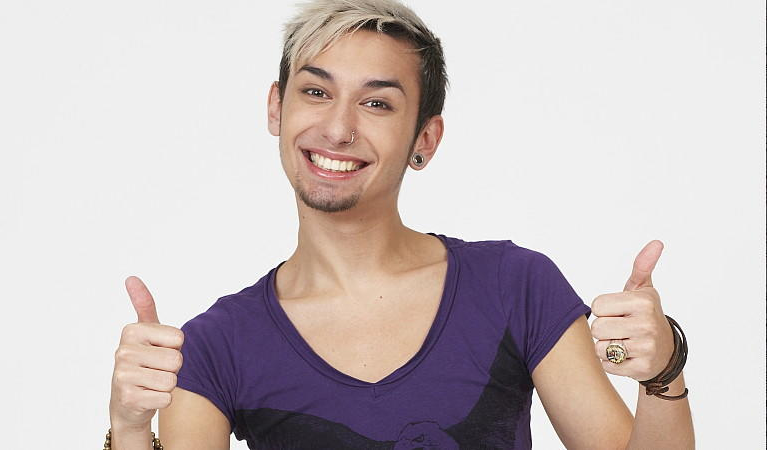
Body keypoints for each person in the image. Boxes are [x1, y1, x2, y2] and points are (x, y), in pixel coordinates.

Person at [107, 1, 695, 448]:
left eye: (377, 103)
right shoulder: (216, 346)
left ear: (425, 139)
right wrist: (130, 428)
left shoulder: (513, 286)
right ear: (276, 108)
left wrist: (663, 373)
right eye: (316, 91)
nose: (338, 129)